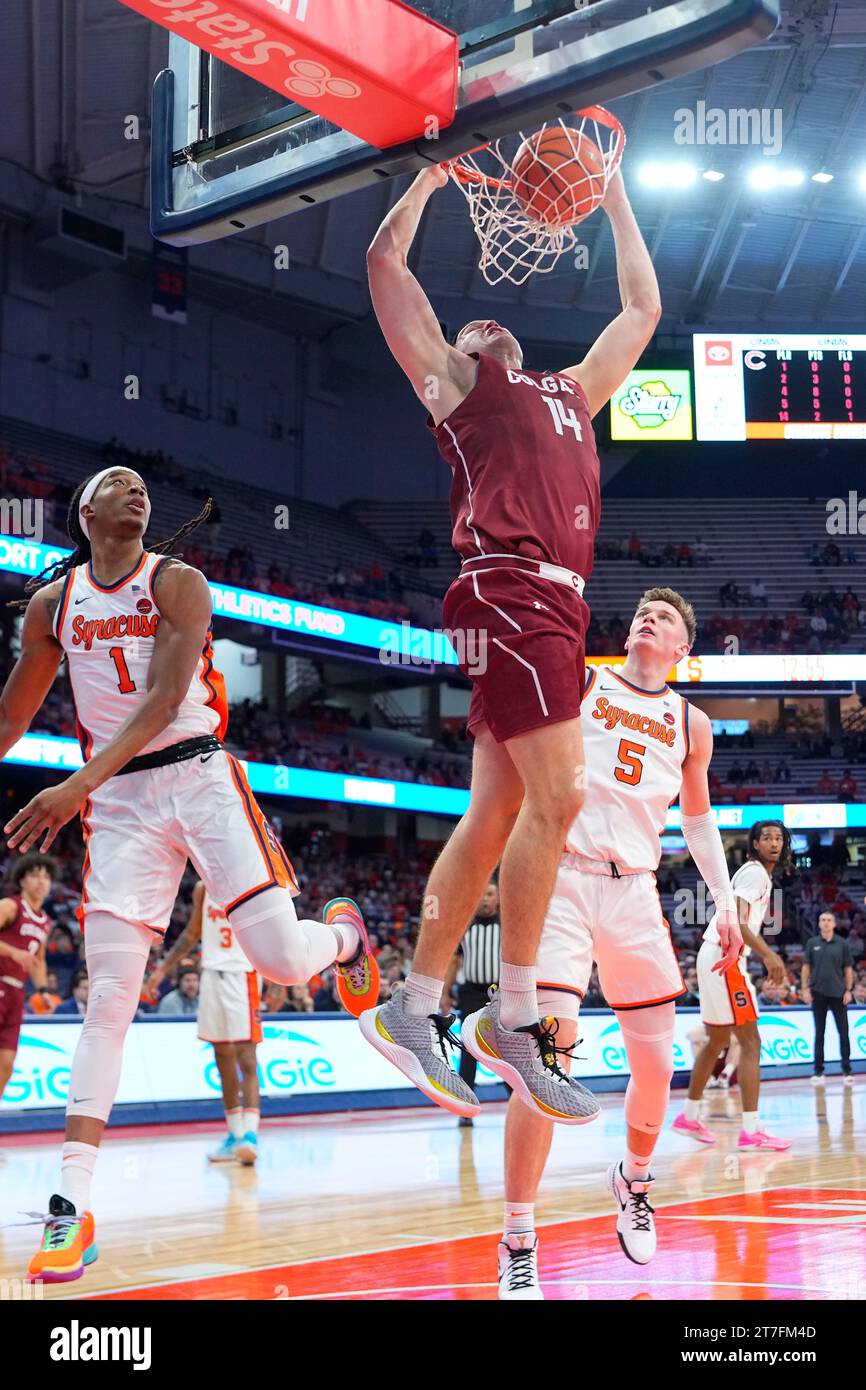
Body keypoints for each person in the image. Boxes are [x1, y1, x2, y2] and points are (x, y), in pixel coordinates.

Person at [0, 467, 379, 1284]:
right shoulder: (51, 606)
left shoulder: (179, 582)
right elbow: (9, 719)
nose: (137, 492)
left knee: (280, 959)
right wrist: (85, 785)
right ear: (85, 511)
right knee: (108, 999)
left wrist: (74, 784)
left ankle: (344, 936)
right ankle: (72, 1208)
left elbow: (167, 695)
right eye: (118, 484)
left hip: (198, 775)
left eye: (143, 487)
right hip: (123, 806)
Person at [362, 161, 661, 1123]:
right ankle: (515, 1017)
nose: (483, 318)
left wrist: (611, 192)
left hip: (558, 611)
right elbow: (382, 262)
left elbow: (642, 309)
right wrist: (428, 178)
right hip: (507, 588)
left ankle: (413, 1006)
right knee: (564, 795)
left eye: (493, 319)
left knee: (496, 813)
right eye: (466, 322)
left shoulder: (573, 389)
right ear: (453, 354)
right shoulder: (457, 387)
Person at [464, 589, 742, 1296]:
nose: (651, 619)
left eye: (668, 618)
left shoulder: (692, 724)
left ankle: (635, 1181)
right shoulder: (580, 680)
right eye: (644, 613)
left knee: (655, 1064)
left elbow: (701, 823)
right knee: (544, 1054)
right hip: (558, 877)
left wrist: (725, 901)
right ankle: (518, 1238)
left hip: (635, 890)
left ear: (684, 649)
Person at [673, 821, 793, 1152]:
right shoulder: (755, 873)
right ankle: (752, 1129)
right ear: (754, 844)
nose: (773, 843)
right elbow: (738, 921)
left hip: (714, 953)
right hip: (725, 957)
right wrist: (769, 955)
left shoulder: (755, 873)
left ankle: (689, 1115)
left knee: (718, 1040)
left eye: (778, 838)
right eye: (766, 838)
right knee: (750, 1040)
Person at [148, 880, 265, 1163]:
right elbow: (191, 934)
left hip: (244, 974)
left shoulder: (254, 880)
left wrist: (277, 981)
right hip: (211, 974)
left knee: (247, 1059)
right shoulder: (203, 888)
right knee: (222, 1056)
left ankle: (251, 1135)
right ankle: (235, 1135)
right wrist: (161, 970)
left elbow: (272, 935)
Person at [441, 880, 503, 1127]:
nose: (485, 899)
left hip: (500, 993)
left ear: (498, 898)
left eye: (489, 894)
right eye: (481, 894)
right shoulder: (464, 925)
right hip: (470, 993)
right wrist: (445, 993)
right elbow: (454, 961)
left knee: (507, 1049)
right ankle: (466, 1109)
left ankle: (518, 1104)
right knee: (469, 1050)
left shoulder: (507, 925)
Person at [0, 853, 54, 1101]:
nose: (41, 882)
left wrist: (43, 990)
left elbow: (38, 960)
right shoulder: (10, 906)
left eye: (46, 877)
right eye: (34, 875)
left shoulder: (45, 922)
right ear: (22, 880)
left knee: (7, 1064)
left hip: (17, 993)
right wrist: (14, 952)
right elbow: (22, 954)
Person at [801, 911, 854, 1086]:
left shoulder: (842, 943)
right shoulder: (812, 943)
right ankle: (818, 1071)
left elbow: (848, 969)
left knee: (844, 1033)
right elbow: (806, 968)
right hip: (817, 993)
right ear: (818, 924)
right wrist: (805, 989)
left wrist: (848, 990)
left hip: (839, 994)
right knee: (819, 1033)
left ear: (834, 924)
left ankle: (847, 1071)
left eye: (829, 920)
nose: (825, 922)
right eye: (822, 919)